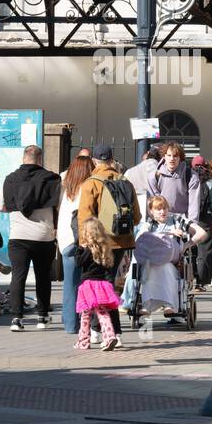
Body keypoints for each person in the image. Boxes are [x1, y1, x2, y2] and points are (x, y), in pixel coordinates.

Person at [77, 143, 140, 341]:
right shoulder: (125, 182)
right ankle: (103, 329)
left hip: (99, 241)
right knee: (108, 283)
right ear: (111, 159)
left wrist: (85, 243)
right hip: (122, 242)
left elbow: (85, 217)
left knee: (99, 285)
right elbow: (136, 217)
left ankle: (107, 331)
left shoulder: (91, 183)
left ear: (95, 160)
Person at [2, 145, 61, 333]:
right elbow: (57, 207)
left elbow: (4, 206)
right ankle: (42, 317)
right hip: (43, 236)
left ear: (23, 157)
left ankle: (16, 319)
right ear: (40, 159)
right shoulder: (52, 179)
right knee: (43, 277)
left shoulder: (10, 179)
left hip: (18, 236)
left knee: (18, 277)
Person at [139, 194, 208, 317]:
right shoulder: (149, 224)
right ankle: (147, 305)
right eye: (158, 209)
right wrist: (170, 232)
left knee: (165, 267)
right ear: (151, 211)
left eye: (164, 208)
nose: (162, 211)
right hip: (153, 260)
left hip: (173, 261)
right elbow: (141, 237)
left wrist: (188, 244)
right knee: (149, 268)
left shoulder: (178, 220)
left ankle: (169, 304)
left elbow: (202, 233)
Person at [73, 217, 122, 352]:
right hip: (101, 285)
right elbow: (108, 268)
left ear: (87, 234)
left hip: (88, 285)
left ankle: (83, 341)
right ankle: (110, 336)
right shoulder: (104, 249)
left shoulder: (87, 250)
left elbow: (78, 263)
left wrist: (79, 249)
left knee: (85, 314)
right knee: (102, 312)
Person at [58, 154, 94, 335]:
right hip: (80, 240)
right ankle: (77, 324)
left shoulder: (67, 189)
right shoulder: (87, 188)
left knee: (69, 284)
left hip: (65, 240)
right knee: (84, 283)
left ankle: (69, 322)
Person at [146, 143, 201, 221]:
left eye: (175, 156)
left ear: (180, 158)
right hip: (161, 221)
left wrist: (192, 226)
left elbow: (194, 205)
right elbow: (154, 204)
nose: (172, 159)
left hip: (183, 222)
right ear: (164, 156)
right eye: (169, 155)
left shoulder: (191, 176)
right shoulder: (154, 176)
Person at [189, 156, 212, 290]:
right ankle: (202, 280)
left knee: (190, 249)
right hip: (205, 219)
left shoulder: (188, 177)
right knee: (204, 250)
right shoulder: (209, 181)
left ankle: (190, 278)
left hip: (190, 218)